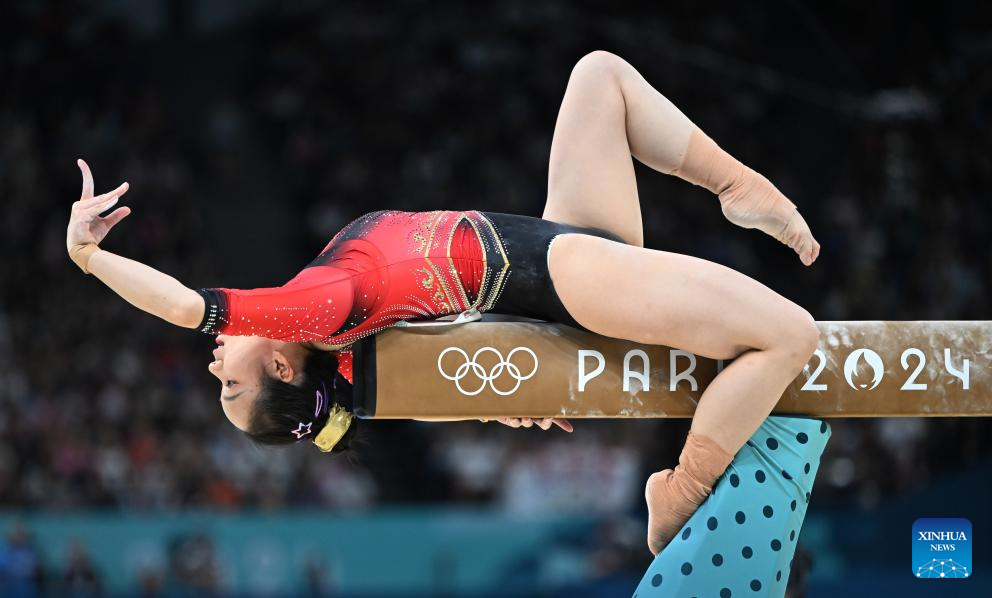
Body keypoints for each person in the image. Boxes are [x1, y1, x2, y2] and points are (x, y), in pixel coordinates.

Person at [65, 51, 819, 554]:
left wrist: (513, 377)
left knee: (600, 78)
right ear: (285, 369)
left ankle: (735, 186)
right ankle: (681, 494)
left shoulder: (349, 344)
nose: (213, 366)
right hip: (564, 272)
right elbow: (185, 308)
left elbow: (427, 371)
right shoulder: (312, 314)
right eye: (230, 384)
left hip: (559, 247)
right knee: (789, 335)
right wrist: (90, 259)